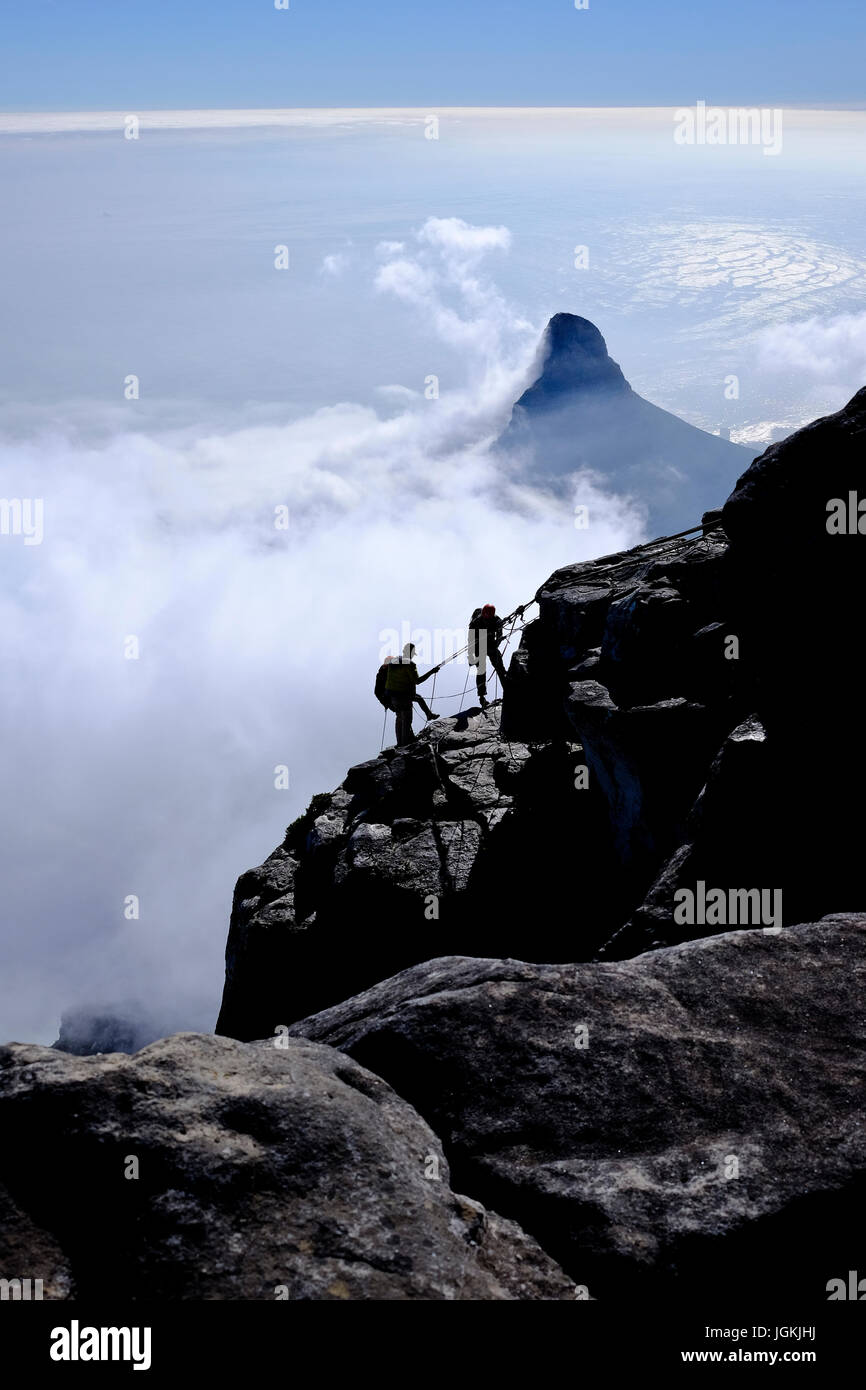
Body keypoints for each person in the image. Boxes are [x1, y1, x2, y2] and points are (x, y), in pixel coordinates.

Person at [383, 644, 440, 746]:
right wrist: (432, 672)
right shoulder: (410, 664)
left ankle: (400, 742)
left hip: (393, 696)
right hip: (404, 696)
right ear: (412, 653)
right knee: (407, 720)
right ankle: (404, 745)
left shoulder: (393, 661)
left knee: (400, 718)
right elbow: (417, 681)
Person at [468, 604, 508, 709]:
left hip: (490, 643)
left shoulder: (496, 620)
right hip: (479, 645)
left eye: (488, 617)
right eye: (485, 617)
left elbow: (499, 634)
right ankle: (482, 698)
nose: (486, 619)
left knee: (499, 667)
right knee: (481, 670)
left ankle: (508, 689)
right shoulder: (475, 622)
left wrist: (496, 644)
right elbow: (471, 639)